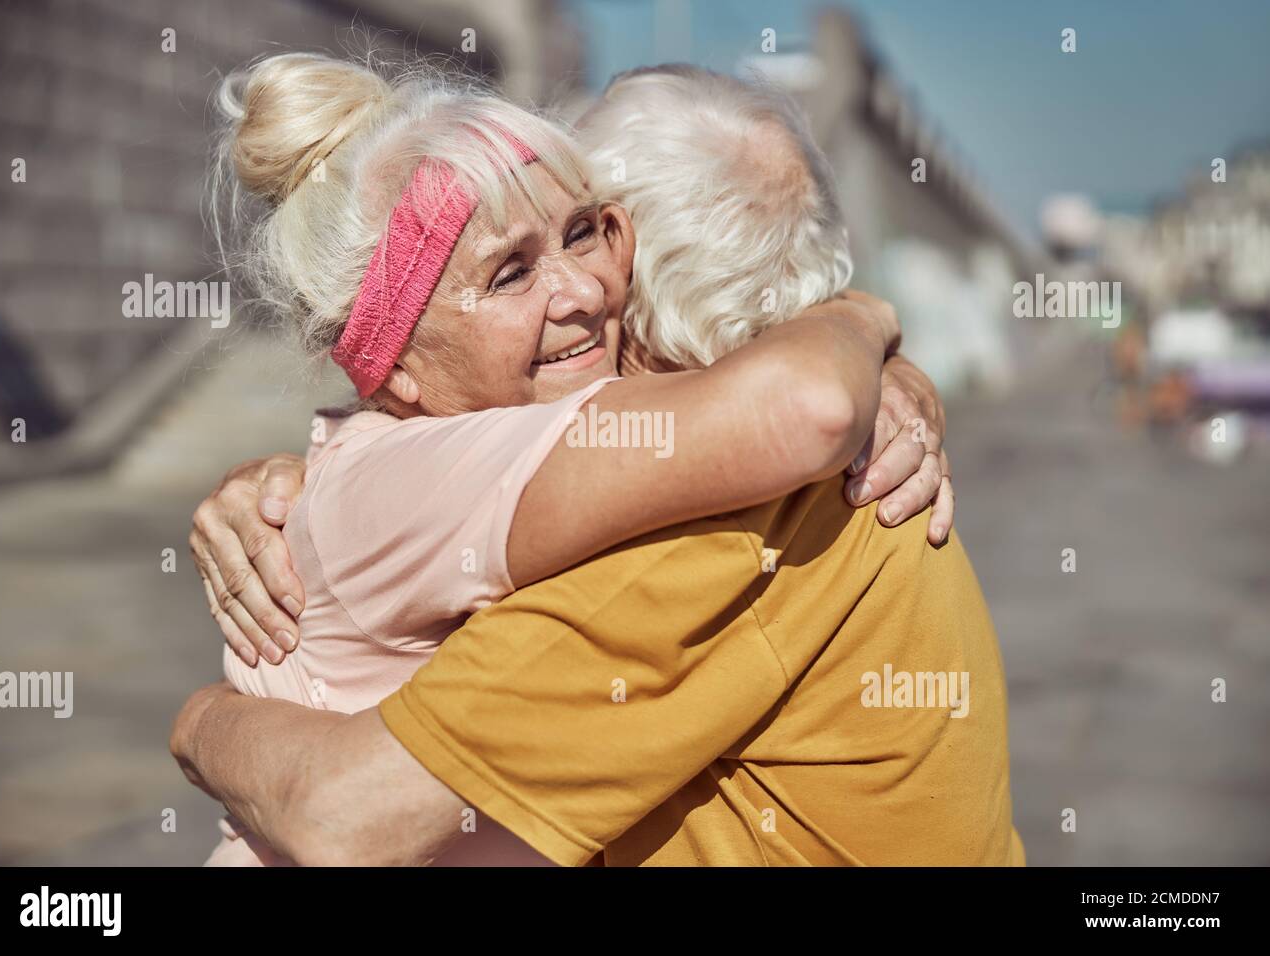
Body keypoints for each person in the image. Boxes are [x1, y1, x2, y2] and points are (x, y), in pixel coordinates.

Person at [175, 63, 1022, 867]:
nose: (584, 291)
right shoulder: (800, 476)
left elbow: (343, 806)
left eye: (591, 233)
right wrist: (867, 324)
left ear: (642, 278)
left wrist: (203, 724)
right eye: (511, 272)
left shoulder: (708, 542)